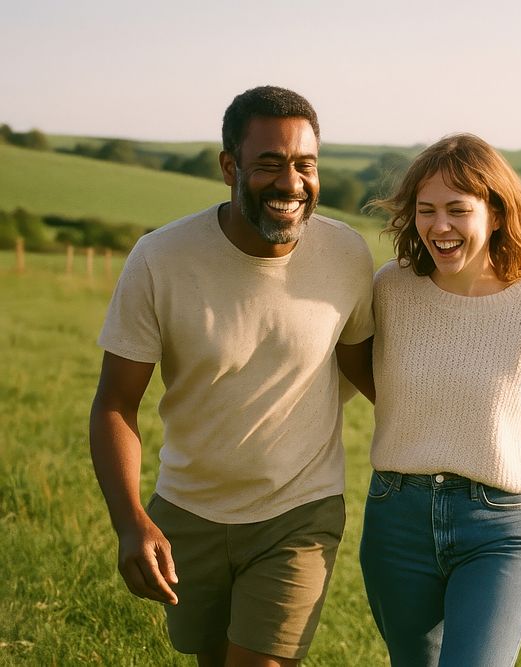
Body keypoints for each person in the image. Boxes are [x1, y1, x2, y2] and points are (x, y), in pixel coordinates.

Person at [89, 85, 376, 667]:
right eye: (269, 164)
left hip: (300, 511)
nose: (292, 184)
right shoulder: (160, 259)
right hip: (188, 511)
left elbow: (373, 374)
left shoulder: (346, 254)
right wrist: (130, 522)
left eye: (305, 165)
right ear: (229, 167)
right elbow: (115, 404)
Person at [358, 133, 521, 667]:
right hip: (396, 519)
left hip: (499, 528)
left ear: (496, 214)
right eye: (425, 210)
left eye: (458, 210)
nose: (439, 226)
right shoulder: (391, 289)